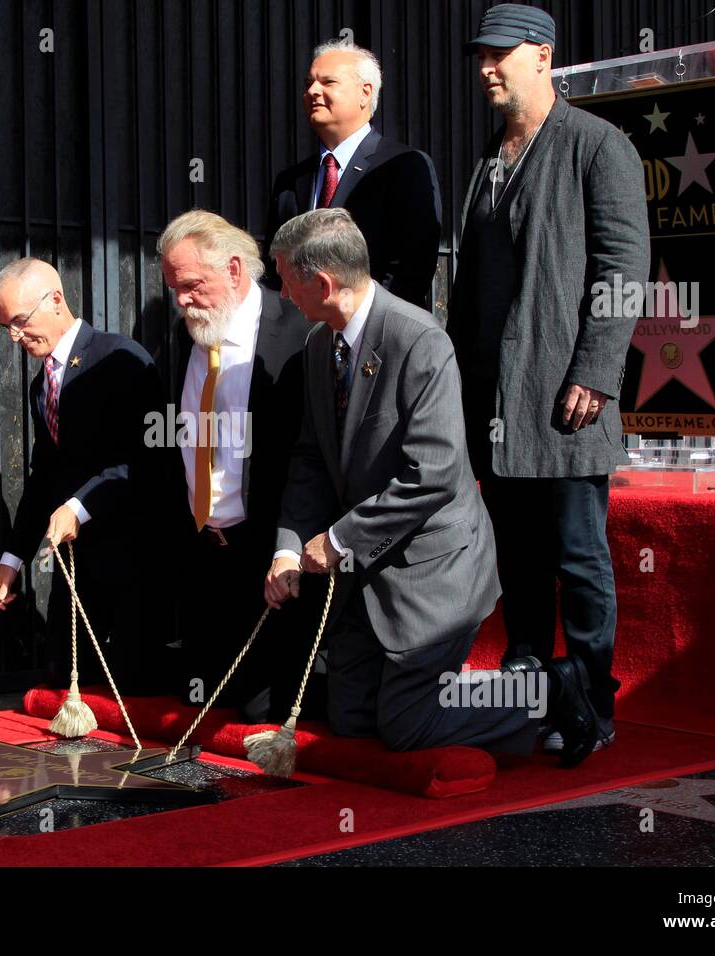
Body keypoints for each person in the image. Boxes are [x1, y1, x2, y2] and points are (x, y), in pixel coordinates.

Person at [265, 208, 603, 765]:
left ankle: (545, 690)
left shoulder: (420, 341)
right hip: (367, 579)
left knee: (404, 726)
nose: (281, 292)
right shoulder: (318, 349)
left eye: (285, 277)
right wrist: (286, 546)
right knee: (349, 719)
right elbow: (311, 458)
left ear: (322, 283)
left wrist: (339, 540)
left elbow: (435, 474)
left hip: (433, 573)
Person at [447, 4, 651, 755]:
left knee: (578, 560)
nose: (487, 69)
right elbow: (470, 291)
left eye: (501, 54)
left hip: (567, 401)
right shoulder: (487, 160)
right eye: (481, 57)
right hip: (498, 409)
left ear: (543, 55)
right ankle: (532, 698)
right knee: (522, 566)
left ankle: (592, 707)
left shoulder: (599, 147)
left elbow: (624, 271)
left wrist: (596, 372)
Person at [0, 258, 187, 694]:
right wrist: (12, 559)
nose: (16, 337)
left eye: (20, 322)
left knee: (135, 685)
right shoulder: (41, 385)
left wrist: (80, 507)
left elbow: (145, 459)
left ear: (55, 299)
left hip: (133, 556)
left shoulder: (120, 359)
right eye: (7, 328)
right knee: (63, 678)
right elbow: (45, 476)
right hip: (76, 562)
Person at [157, 210, 318, 721]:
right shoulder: (188, 333)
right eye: (173, 288)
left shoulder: (297, 332)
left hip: (270, 556)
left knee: (262, 714)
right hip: (205, 553)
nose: (181, 300)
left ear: (233, 269)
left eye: (191, 285)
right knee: (204, 708)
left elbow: (310, 455)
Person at [265, 39, 441, 309]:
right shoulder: (291, 182)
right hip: (303, 342)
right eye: (308, 83)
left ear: (365, 93)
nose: (312, 91)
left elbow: (411, 268)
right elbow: (275, 269)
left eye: (328, 82)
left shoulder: (403, 167)